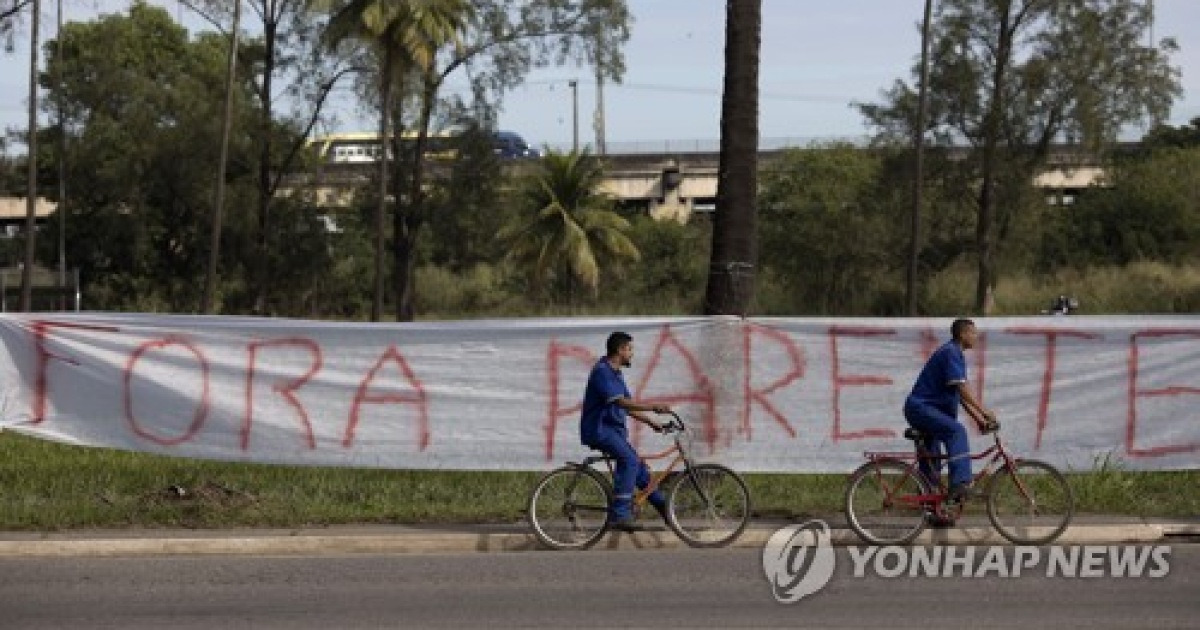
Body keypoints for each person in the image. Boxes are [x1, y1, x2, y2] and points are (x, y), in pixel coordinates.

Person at [903, 319, 999, 514]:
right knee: (956, 432)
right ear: (962, 334)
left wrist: (979, 419)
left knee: (932, 460)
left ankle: (933, 510)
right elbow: (962, 389)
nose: (976, 337)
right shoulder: (951, 353)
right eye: (973, 333)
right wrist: (984, 411)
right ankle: (960, 483)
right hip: (922, 408)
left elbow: (958, 395)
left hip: (925, 409)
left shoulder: (954, 354)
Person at [580, 331, 673, 532]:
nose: (632, 353)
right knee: (629, 461)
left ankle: (666, 508)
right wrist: (653, 407)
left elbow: (627, 406)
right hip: (600, 430)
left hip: (612, 431)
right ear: (620, 350)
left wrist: (650, 421)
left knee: (639, 469)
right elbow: (620, 401)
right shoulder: (602, 371)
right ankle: (620, 514)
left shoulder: (615, 373)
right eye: (630, 349)